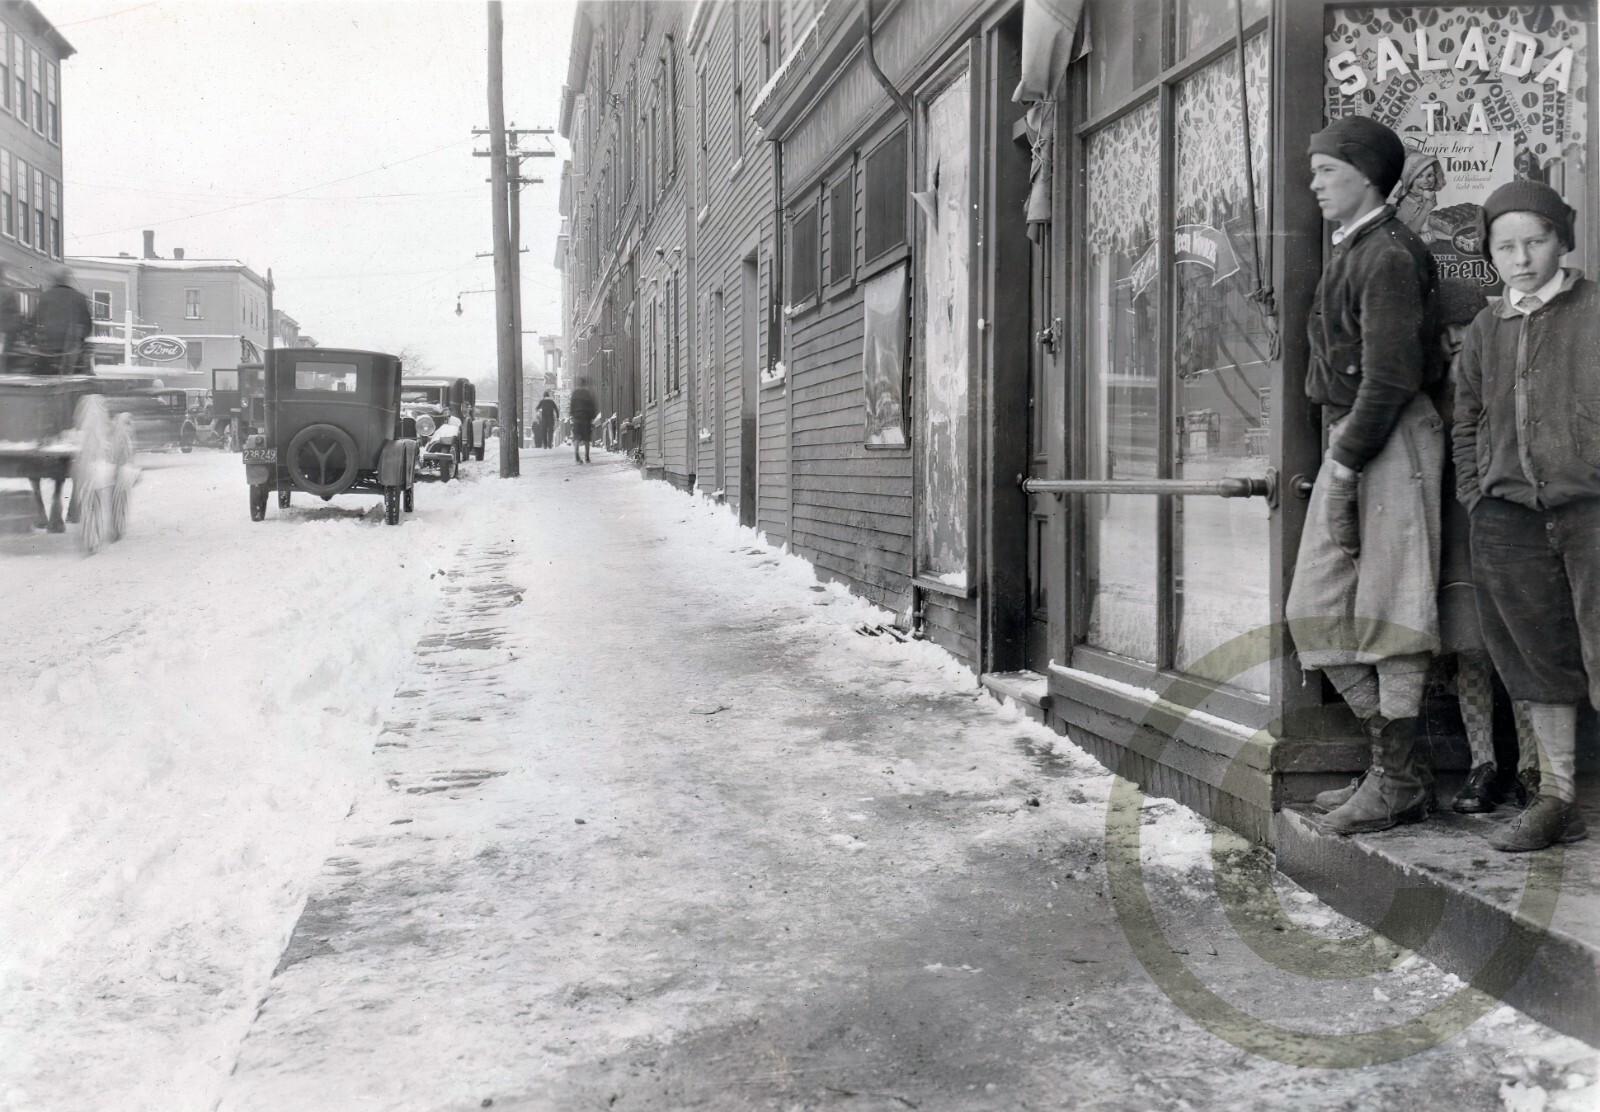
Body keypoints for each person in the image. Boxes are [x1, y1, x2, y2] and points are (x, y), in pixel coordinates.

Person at [1285, 115, 1446, 836]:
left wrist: (1346, 461)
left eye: (1326, 170)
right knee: (1314, 608)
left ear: (1365, 173)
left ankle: (1393, 781)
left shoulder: (1387, 255)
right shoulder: (1356, 247)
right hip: (1355, 437)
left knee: (1394, 613)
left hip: (1390, 437)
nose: (1314, 183)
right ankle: (1398, 774)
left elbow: (1391, 378)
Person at [1452, 180, 1596, 852]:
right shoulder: (1487, 327)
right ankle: (1556, 795)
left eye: (1534, 241)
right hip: (1506, 518)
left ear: (1562, 240)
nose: (1521, 257)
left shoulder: (1594, 312)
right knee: (1535, 655)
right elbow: (1468, 415)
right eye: (1505, 246)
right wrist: (1477, 493)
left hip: (1591, 513)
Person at [33, 263, 93, 375]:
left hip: (47, 346)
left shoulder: (45, 296)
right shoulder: (79, 297)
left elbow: (35, 319)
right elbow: (87, 325)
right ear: (67, 279)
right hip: (71, 347)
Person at [568, 377, 597, 463]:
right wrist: (592, 417)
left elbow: (571, 406)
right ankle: (587, 456)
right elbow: (592, 407)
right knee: (586, 438)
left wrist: (573, 415)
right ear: (585, 384)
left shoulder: (575, 394)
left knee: (576, 436)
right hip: (586, 418)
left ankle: (576, 454)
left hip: (577, 418)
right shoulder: (588, 394)